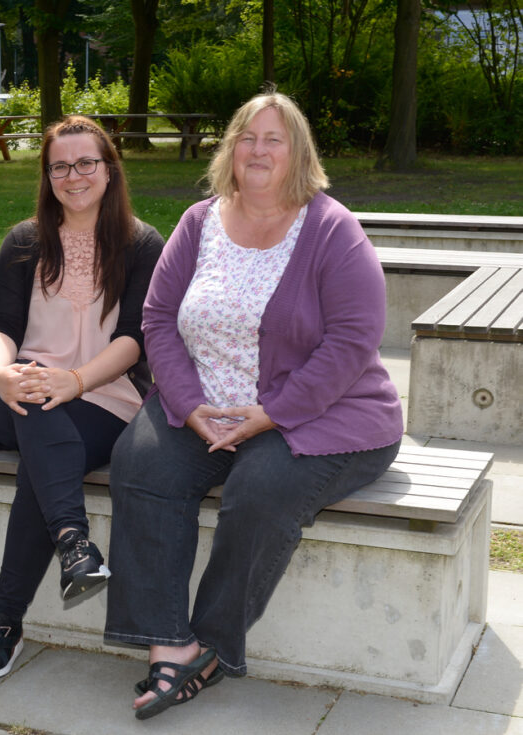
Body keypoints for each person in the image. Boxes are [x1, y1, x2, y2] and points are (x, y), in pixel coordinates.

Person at [103, 90, 404, 720]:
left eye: (275, 139)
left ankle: (210, 645)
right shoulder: (199, 222)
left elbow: (353, 341)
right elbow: (157, 319)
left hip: (319, 413)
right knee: (140, 466)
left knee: (260, 492)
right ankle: (169, 642)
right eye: (247, 136)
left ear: (298, 152)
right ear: (230, 148)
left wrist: (271, 414)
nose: (259, 150)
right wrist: (186, 406)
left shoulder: (331, 229)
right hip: (203, 406)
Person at [0, 116, 163, 680]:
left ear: (109, 169)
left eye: (86, 163)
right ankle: (73, 543)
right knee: (37, 413)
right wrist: (1, 373)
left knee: (45, 456)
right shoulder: (26, 240)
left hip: (102, 399)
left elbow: (134, 339)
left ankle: (5, 619)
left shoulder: (142, 244)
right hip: (13, 393)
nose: (73, 176)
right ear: (47, 177)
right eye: (59, 167)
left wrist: (74, 382)